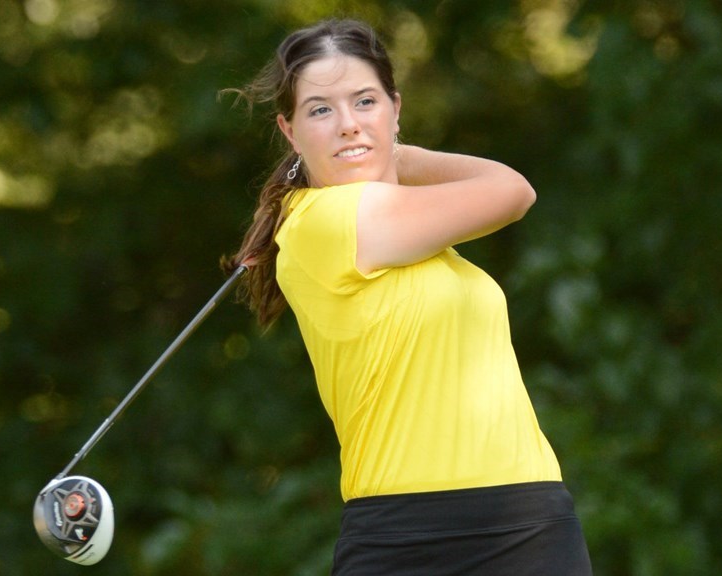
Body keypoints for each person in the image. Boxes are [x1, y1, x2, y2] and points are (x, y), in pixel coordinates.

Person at [223, 18, 592, 575]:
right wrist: (393, 150)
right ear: (291, 131)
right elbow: (512, 191)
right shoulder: (323, 221)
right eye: (321, 109)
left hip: (530, 517)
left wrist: (388, 150)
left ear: (396, 107)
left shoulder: (419, 239)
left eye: (365, 102)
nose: (348, 124)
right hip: (408, 536)